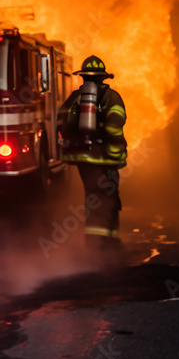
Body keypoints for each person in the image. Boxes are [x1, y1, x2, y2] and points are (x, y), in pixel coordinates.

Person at [57, 55, 128, 248]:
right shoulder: (111, 96)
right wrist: (115, 155)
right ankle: (99, 244)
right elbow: (114, 126)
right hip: (103, 159)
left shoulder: (74, 97)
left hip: (83, 159)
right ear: (103, 77)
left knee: (97, 195)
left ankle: (109, 239)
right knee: (103, 197)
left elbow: (60, 122)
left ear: (83, 77)